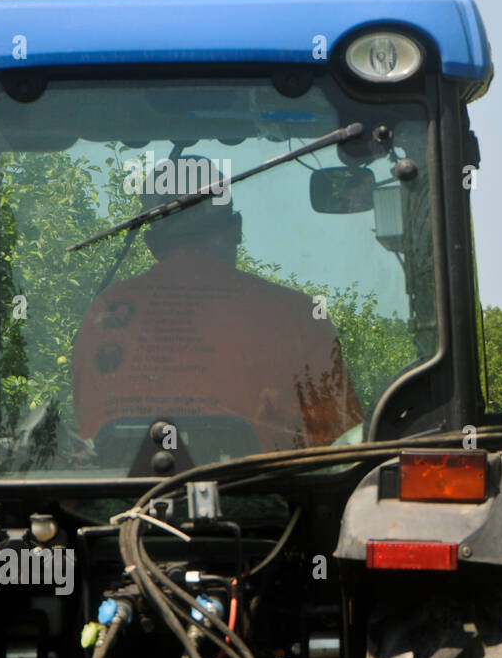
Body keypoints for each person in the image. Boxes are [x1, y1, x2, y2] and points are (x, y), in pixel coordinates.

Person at [71, 167, 362, 455]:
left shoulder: (106, 312)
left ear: (153, 244)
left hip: (120, 498)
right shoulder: (300, 314)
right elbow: (340, 448)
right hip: (267, 495)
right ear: (236, 228)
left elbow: (91, 435)